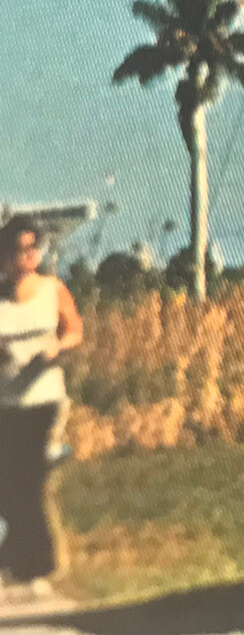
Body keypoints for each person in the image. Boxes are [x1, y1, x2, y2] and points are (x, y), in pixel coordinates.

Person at [0, 217, 83, 602]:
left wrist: (56, 349)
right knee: (9, 486)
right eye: (17, 249)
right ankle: (17, 564)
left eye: (32, 248)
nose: (25, 257)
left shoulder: (52, 290)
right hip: (7, 401)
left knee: (31, 480)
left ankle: (37, 567)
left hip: (44, 399)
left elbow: (74, 330)